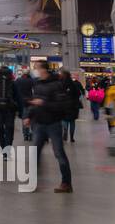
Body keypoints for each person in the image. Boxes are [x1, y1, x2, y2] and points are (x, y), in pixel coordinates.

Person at [22, 60, 73, 192]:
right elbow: (35, 102)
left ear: (44, 69)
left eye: (37, 67)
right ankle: (32, 182)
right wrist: (28, 115)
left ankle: (66, 183)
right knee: (35, 153)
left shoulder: (57, 84)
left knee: (59, 153)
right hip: (39, 123)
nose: (35, 70)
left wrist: (43, 103)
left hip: (53, 124)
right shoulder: (37, 84)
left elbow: (60, 106)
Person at [0, 65, 18, 153]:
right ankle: (7, 150)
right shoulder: (13, 83)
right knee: (9, 129)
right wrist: (20, 110)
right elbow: (17, 97)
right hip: (10, 109)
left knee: (1, 129)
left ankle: (3, 148)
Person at [60, 70, 83, 142]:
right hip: (73, 106)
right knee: (72, 121)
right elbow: (79, 94)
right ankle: (72, 137)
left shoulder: (61, 84)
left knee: (64, 120)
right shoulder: (74, 84)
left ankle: (65, 132)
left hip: (64, 105)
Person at [13, 66, 35, 141]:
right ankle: (31, 133)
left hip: (22, 102)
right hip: (31, 101)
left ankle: (25, 135)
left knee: (24, 118)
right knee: (31, 118)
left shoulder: (18, 80)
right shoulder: (32, 81)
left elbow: (14, 91)